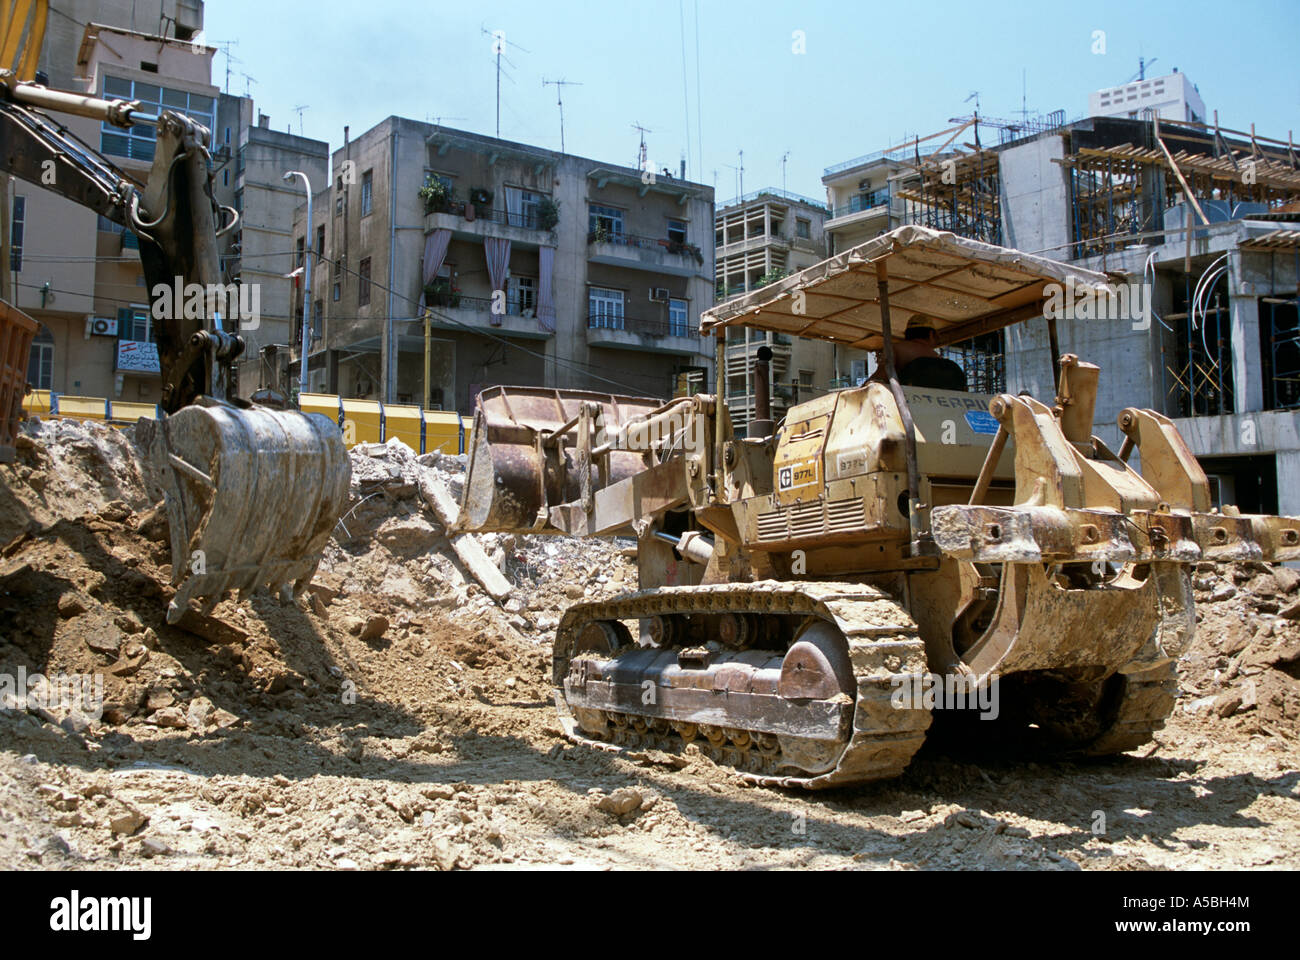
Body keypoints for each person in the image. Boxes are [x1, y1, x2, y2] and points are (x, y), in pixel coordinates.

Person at [871, 316, 968, 391]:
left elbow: (879, 378)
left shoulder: (897, 348)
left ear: (907, 334)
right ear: (931, 334)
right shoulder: (937, 357)